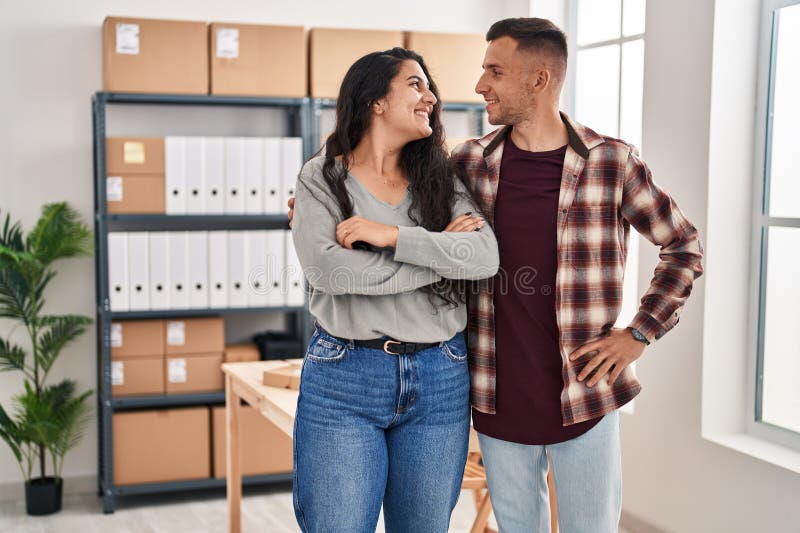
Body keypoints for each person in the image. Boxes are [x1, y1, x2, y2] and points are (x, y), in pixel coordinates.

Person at [450, 18, 704, 533]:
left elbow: (683, 244)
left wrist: (639, 333)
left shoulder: (611, 162)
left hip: (585, 397)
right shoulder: (470, 163)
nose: (481, 86)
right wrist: (321, 200)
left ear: (539, 79)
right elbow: (397, 197)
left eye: (494, 72)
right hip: (497, 400)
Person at [289, 47, 499, 533]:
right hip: (346, 376)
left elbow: (485, 258)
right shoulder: (322, 178)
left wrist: (392, 239)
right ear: (375, 101)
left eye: (430, 88)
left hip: (440, 379)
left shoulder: (440, 179)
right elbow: (331, 273)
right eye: (415, 84)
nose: (431, 98)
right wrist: (441, 254)